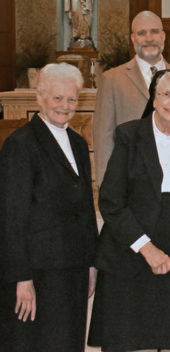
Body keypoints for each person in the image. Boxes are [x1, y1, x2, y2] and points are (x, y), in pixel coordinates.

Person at [88, 69, 170, 352]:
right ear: (154, 97)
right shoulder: (129, 135)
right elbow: (111, 201)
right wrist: (146, 248)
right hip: (135, 248)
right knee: (138, 341)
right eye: (166, 95)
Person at [0, 63, 98, 352]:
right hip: (38, 275)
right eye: (57, 98)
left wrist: (92, 262)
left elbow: (85, 208)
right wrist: (21, 278)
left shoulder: (79, 143)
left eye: (71, 99)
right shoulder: (21, 145)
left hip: (74, 269)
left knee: (68, 343)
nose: (65, 106)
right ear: (40, 97)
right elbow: (11, 217)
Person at [94, 10, 170, 186]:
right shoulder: (111, 79)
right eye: (141, 33)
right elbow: (104, 136)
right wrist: (105, 183)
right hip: (130, 180)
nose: (149, 38)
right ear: (133, 38)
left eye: (154, 31)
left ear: (163, 36)